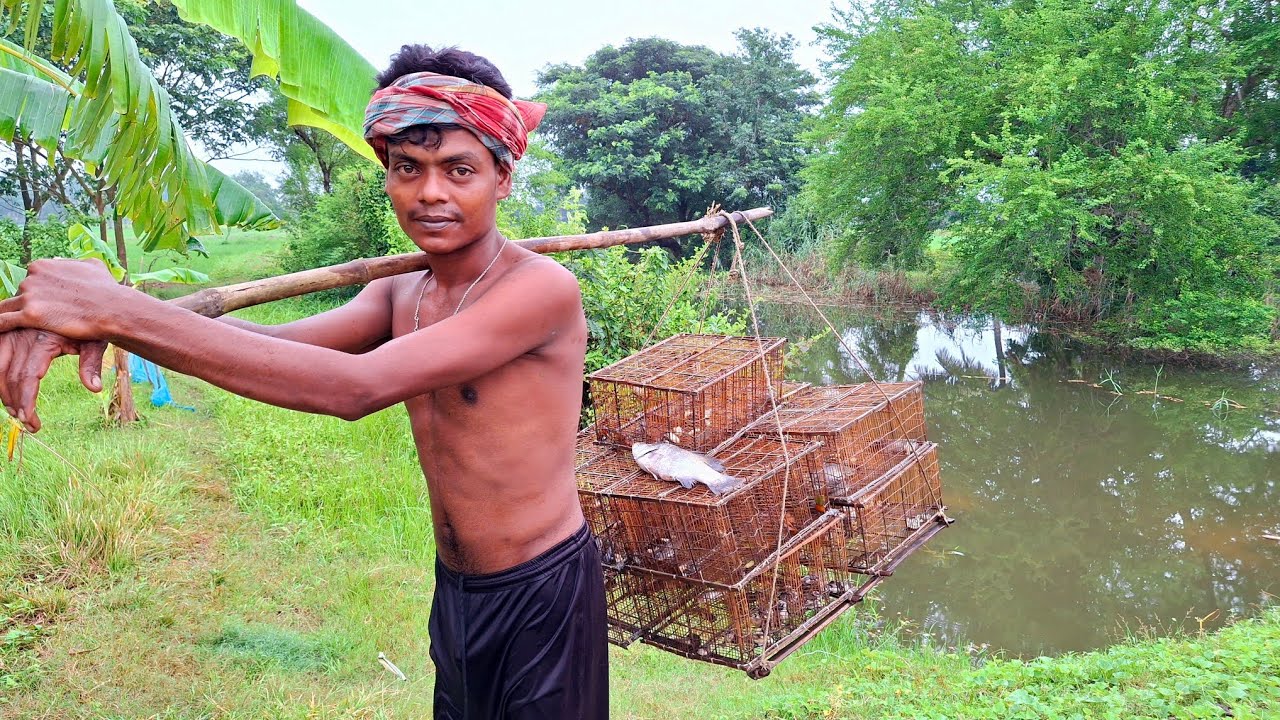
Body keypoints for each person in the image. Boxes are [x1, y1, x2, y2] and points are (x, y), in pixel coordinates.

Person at [0, 45, 607, 720]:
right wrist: (118, 321)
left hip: (542, 588)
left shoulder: (540, 291)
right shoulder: (401, 291)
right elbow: (266, 347)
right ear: (387, 175)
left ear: (503, 177)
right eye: (408, 168)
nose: (430, 192)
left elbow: (355, 387)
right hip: (458, 589)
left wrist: (117, 310)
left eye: (458, 169)